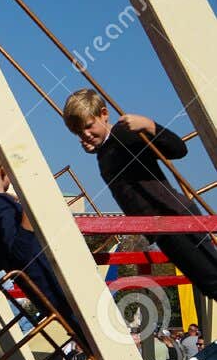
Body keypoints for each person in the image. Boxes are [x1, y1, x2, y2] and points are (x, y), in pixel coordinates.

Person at [63, 90, 217, 301]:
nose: (86, 135)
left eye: (88, 126)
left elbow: (178, 149)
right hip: (161, 225)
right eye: (79, 133)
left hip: (173, 217)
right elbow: (117, 162)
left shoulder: (125, 134)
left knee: (212, 278)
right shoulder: (107, 148)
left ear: (104, 114)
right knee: (208, 281)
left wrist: (149, 125)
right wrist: (98, 150)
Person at [0, 141, 83, 335]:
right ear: (2, 170)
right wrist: (28, 212)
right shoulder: (0, 205)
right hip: (51, 281)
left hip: (35, 291)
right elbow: (20, 251)